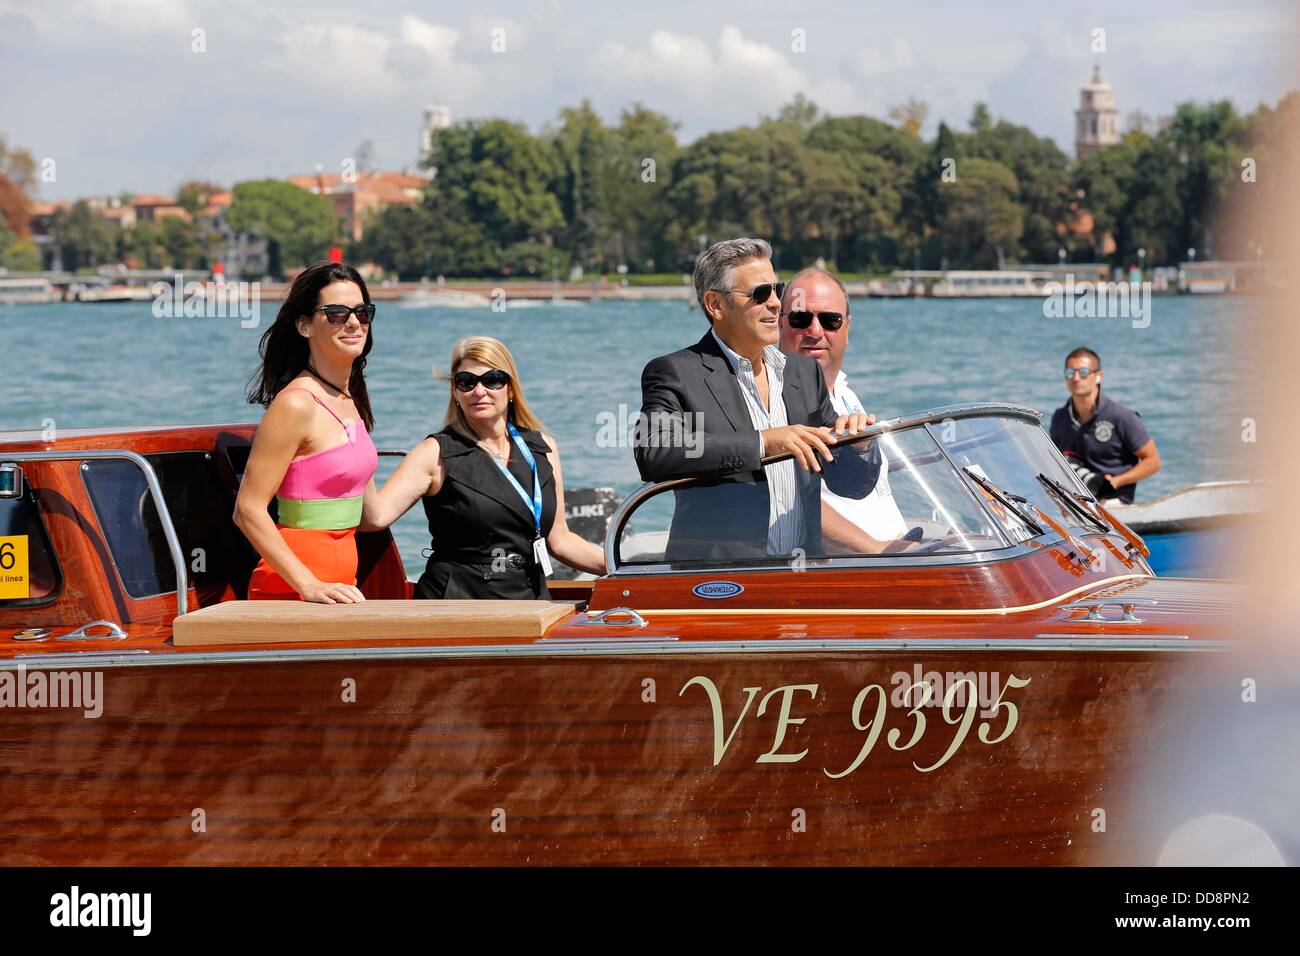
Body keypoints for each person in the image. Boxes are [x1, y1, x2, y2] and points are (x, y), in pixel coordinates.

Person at [635, 237, 880, 561]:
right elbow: (655, 451)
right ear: (715, 305)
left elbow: (850, 485)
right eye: (760, 294)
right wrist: (764, 443)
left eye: (776, 290)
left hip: (803, 580)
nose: (776, 303)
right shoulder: (675, 372)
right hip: (717, 586)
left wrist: (858, 446)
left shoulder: (804, 373)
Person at [360, 336, 605, 599]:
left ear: (511, 389)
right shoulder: (434, 454)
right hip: (459, 604)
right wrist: (357, 455)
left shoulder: (542, 448)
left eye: (493, 380)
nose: (479, 391)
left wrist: (622, 565)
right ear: (455, 392)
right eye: (466, 382)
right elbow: (375, 518)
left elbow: (560, 540)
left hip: (530, 601)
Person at [235, 261, 380, 603]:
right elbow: (248, 509)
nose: (354, 322)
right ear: (303, 325)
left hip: (337, 589)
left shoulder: (348, 399)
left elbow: (371, 514)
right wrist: (309, 585)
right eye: (335, 313)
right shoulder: (296, 405)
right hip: (292, 592)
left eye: (362, 312)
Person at [779, 267, 916, 554]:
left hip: (900, 555)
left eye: (830, 320)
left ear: (847, 329)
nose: (815, 332)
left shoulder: (846, 393)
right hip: (853, 569)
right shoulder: (771, 400)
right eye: (800, 319)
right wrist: (878, 549)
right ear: (779, 325)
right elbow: (781, 500)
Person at [1049, 346, 1161, 504]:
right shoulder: (1059, 418)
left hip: (1114, 501)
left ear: (1098, 376)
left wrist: (1116, 481)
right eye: (1070, 372)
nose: (1075, 378)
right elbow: (1053, 462)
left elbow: (1153, 461)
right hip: (1074, 501)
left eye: (1083, 372)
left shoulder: (1122, 417)